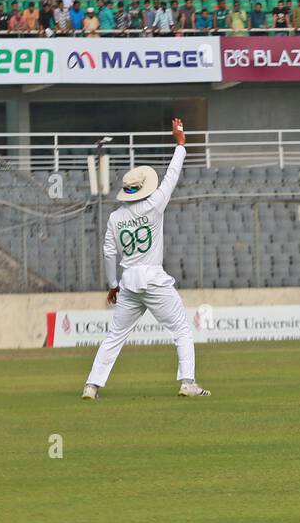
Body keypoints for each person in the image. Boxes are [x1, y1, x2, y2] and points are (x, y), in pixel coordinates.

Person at [82, 119, 209, 400]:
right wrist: (180, 144)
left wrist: (112, 284)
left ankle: (91, 386)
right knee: (181, 330)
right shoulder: (154, 205)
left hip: (128, 282)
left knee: (115, 336)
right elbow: (172, 176)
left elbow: (108, 252)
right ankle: (187, 382)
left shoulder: (115, 217)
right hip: (153, 278)